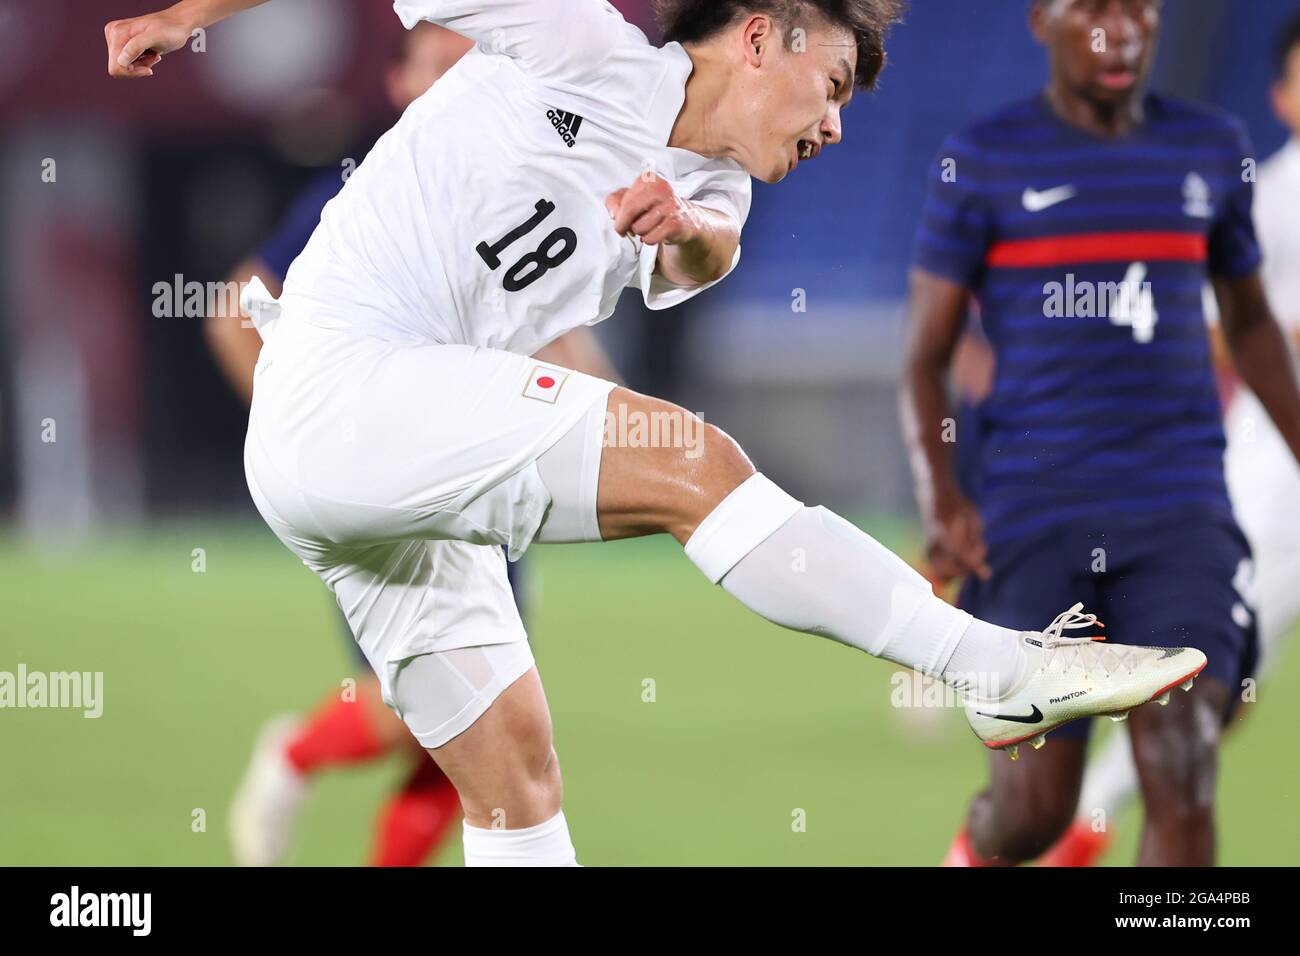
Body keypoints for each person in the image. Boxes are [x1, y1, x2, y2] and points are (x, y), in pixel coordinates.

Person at [106, 0, 1205, 867]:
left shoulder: (716, 184)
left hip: (384, 453)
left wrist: (676, 233)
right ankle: (994, 668)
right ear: (760, 37)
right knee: (695, 464)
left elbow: (704, 254)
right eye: (830, 86)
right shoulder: (575, 36)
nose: (834, 125)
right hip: (344, 383)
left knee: (516, 784)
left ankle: (992, 674)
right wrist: (180, 19)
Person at [903, 0, 1300, 867]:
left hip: (1182, 509)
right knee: (1034, 811)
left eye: (1137, 8)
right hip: (1035, 513)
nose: (1116, 27)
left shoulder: (1208, 149)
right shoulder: (984, 158)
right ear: (1041, 18)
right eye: (1090, 7)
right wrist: (942, 498)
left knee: (1186, 756)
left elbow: (1255, 326)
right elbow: (925, 358)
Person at [212, 21, 619, 866]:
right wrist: (302, 422)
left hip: (480, 478)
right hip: (383, 478)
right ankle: (294, 756)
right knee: (425, 706)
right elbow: (235, 304)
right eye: (433, 69)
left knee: (488, 726)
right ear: (398, 84)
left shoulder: (509, 192)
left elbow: (553, 335)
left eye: (466, 70)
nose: (451, 88)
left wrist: (621, 426)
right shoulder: (362, 194)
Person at [1039, 8, 1300, 867]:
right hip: (1278, 462)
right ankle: (1083, 814)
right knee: (1221, 663)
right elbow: (1212, 319)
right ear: (1282, 94)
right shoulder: (1275, 195)